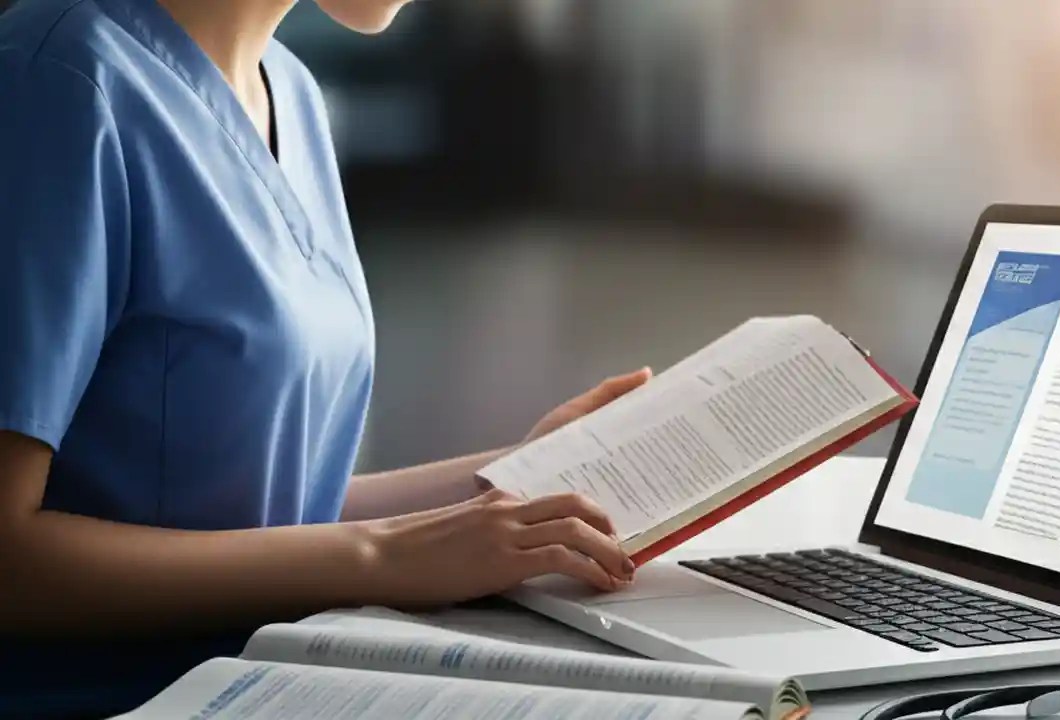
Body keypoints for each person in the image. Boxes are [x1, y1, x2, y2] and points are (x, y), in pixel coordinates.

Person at [0, 0, 649, 717]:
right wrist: (381, 558)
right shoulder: (54, 84)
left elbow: (255, 511)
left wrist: (508, 480)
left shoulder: (290, 91)